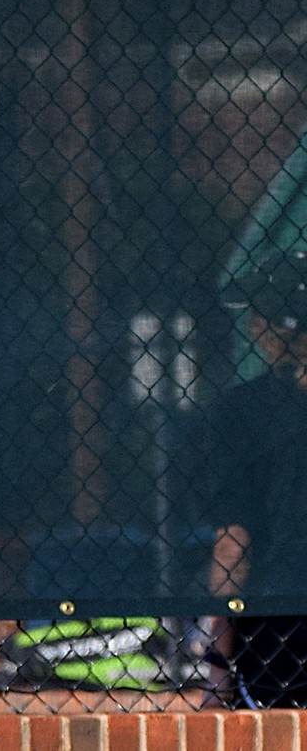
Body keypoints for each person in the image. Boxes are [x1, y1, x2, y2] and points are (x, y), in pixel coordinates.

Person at [205, 247, 307, 707]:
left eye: (258, 317)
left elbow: (233, 543)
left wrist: (217, 671)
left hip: (279, 632)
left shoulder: (242, 412)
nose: (251, 327)